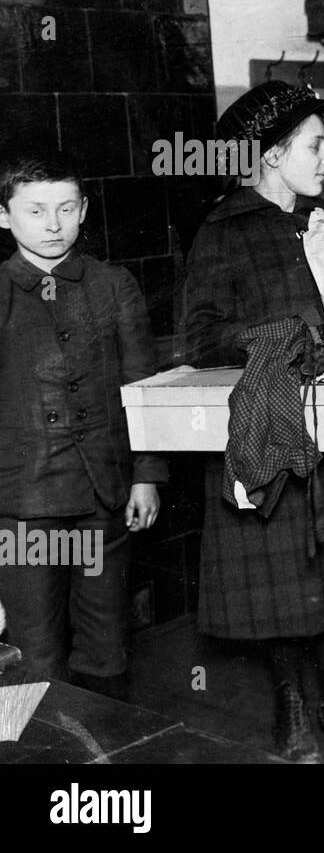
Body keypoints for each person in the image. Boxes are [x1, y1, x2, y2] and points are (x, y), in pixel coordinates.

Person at [182, 81, 324, 763]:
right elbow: (200, 337)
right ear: (273, 154)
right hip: (268, 425)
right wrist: (289, 334)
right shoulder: (223, 229)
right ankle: (290, 705)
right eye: (314, 145)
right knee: (279, 585)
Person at [0, 148, 165, 700]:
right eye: (35, 210)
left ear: (85, 210)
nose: (53, 224)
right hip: (23, 502)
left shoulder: (112, 285)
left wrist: (146, 474)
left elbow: (143, 387)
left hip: (104, 494)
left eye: (66, 208)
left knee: (106, 640)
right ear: (4, 216)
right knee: (34, 648)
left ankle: (104, 763)